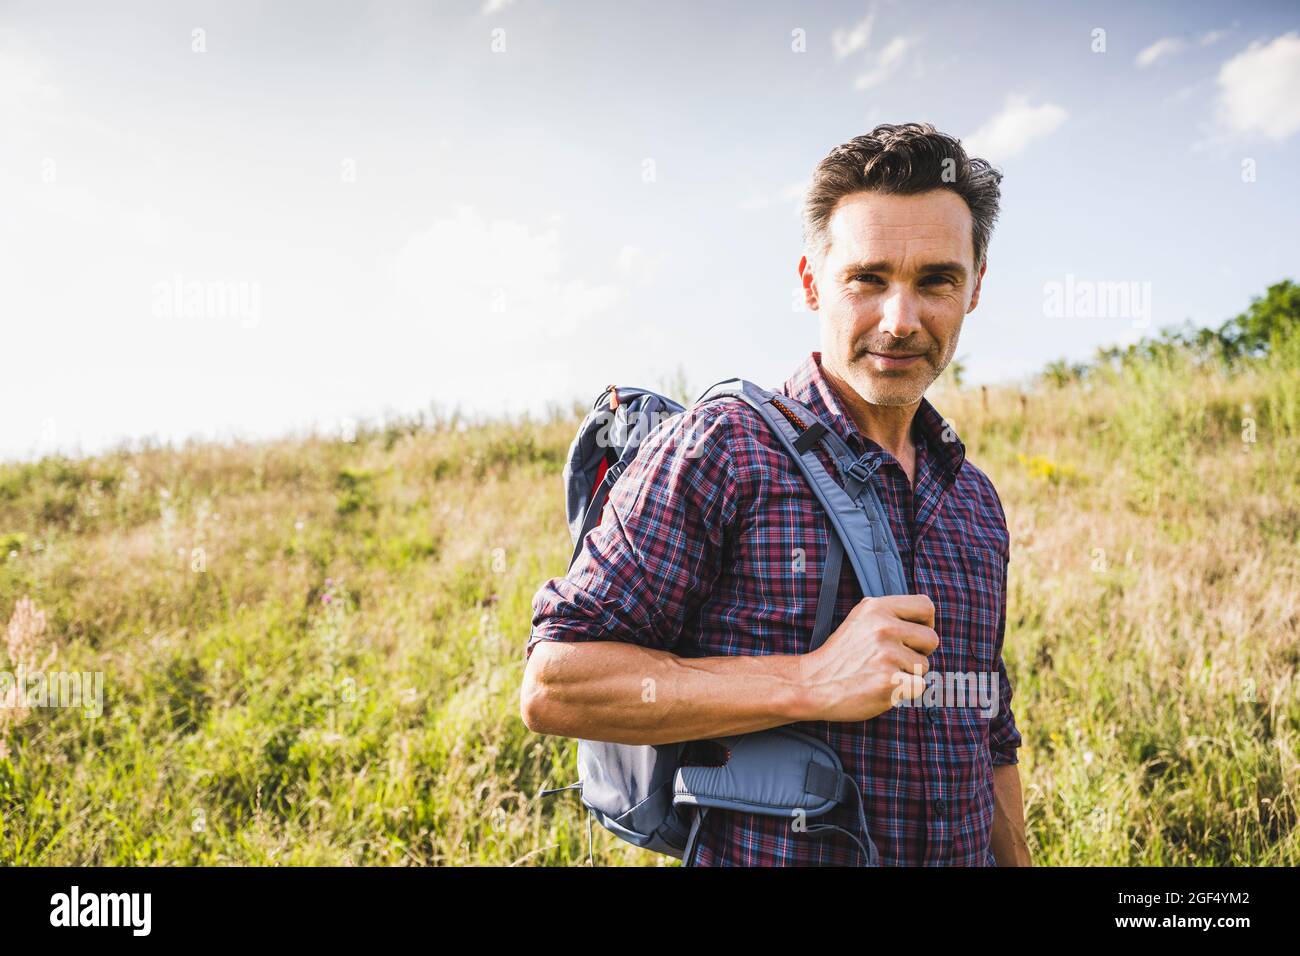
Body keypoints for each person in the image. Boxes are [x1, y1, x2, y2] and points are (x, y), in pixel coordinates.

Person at [521, 122, 1031, 867]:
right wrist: (810, 681)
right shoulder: (721, 449)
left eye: (935, 281)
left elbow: (987, 732)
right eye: (868, 278)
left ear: (975, 285)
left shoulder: (973, 499)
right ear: (810, 282)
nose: (901, 320)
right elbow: (557, 684)